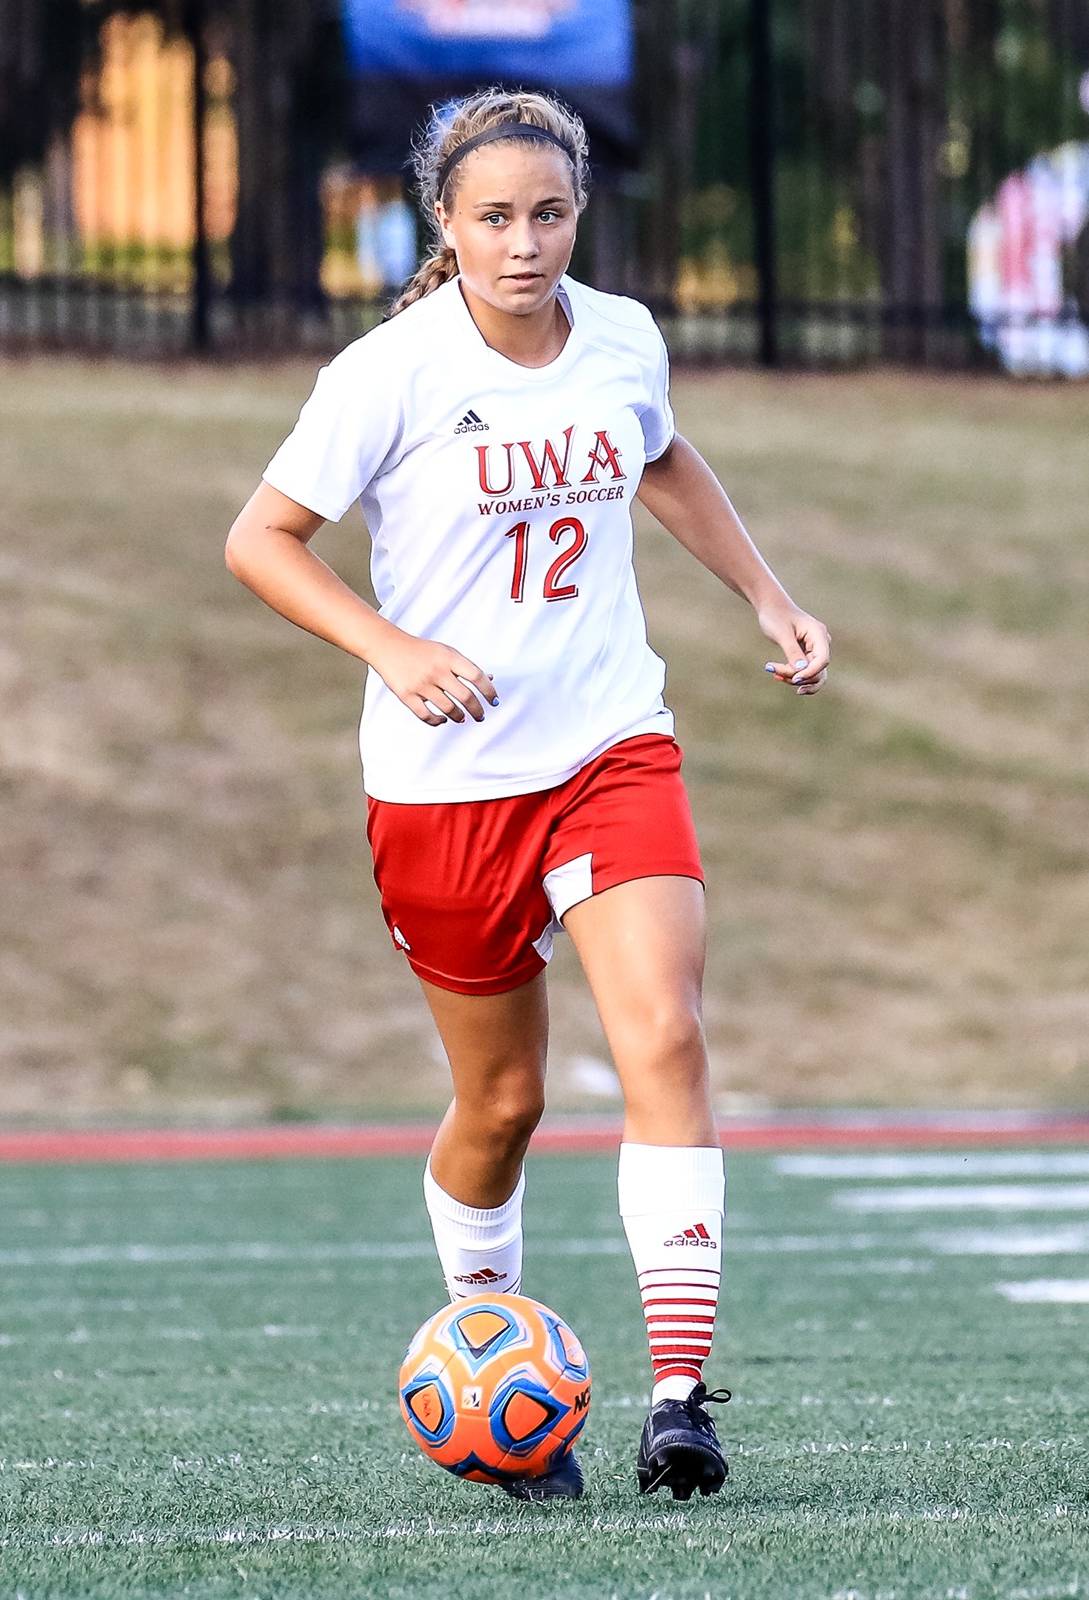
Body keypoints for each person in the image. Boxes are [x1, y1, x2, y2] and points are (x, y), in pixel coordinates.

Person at [225, 87, 830, 1504]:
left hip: (611, 745)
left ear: (579, 216)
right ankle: (493, 1354)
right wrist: (394, 650)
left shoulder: (620, 336)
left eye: (549, 215)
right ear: (444, 223)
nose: (524, 243)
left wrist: (768, 594)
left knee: (666, 1034)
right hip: (445, 788)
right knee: (501, 1102)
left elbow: (659, 455)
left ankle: (678, 1398)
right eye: (494, 217)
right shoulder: (389, 372)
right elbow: (261, 541)